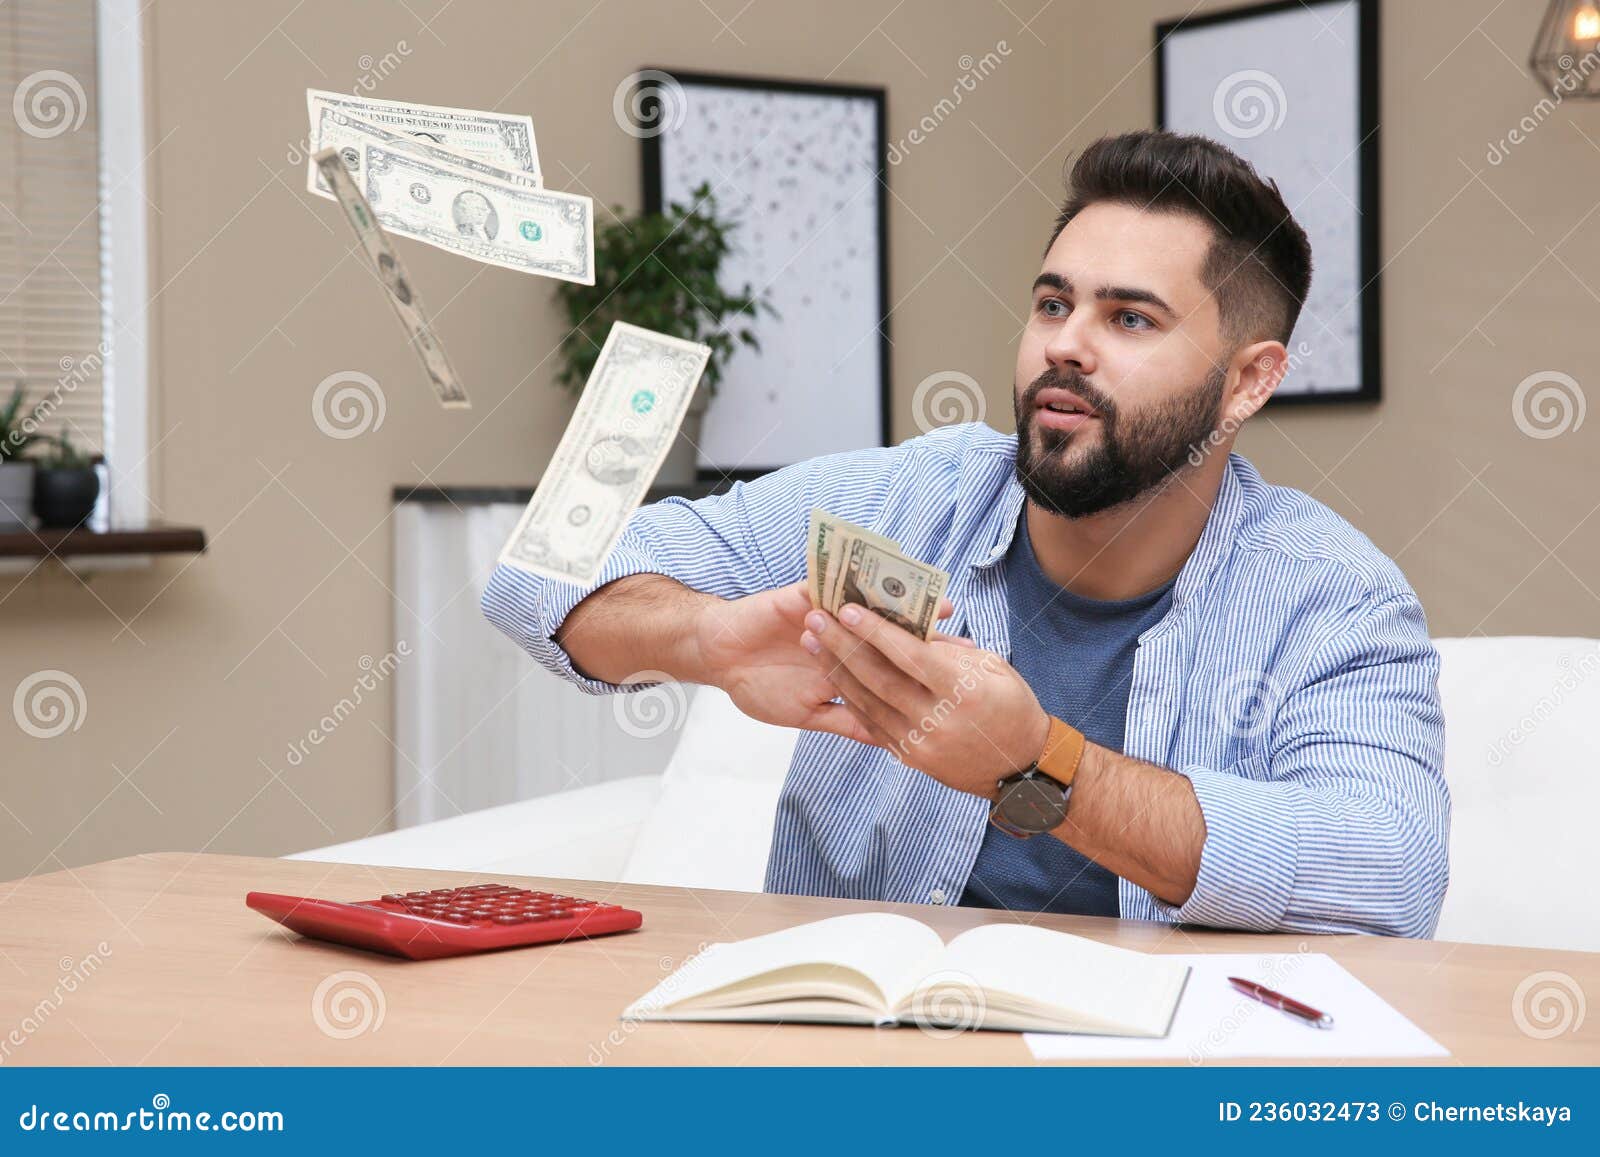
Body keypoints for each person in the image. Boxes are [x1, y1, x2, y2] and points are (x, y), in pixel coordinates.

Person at [483, 130, 1450, 938]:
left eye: (1131, 318)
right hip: (853, 1060)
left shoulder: (1334, 597)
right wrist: (708, 641)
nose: (1066, 343)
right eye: (1053, 303)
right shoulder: (910, 496)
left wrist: (1040, 769)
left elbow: (1391, 878)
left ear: (1247, 381)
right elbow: (539, 571)